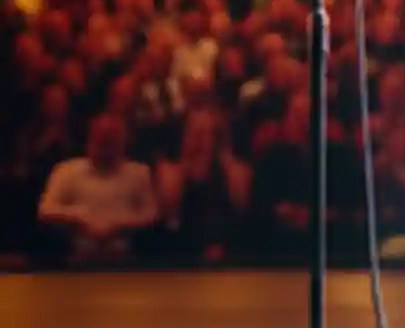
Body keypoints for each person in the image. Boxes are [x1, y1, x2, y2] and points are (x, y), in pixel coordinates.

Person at [37, 114, 157, 263]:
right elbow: (46, 209)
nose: (107, 150)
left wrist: (118, 224)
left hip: (124, 260)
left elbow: (150, 213)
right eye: (102, 142)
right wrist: (79, 217)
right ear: (90, 140)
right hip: (76, 258)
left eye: (112, 143)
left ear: (123, 142)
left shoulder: (138, 174)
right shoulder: (66, 171)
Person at [155, 109, 250, 262]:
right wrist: (185, 167)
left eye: (205, 133)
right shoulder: (170, 172)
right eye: (194, 133)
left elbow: (241, 208)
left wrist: (227, 163)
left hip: (226, 251)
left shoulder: (233, 172)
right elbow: (169, 215)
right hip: (181, 250)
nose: (199, 139)